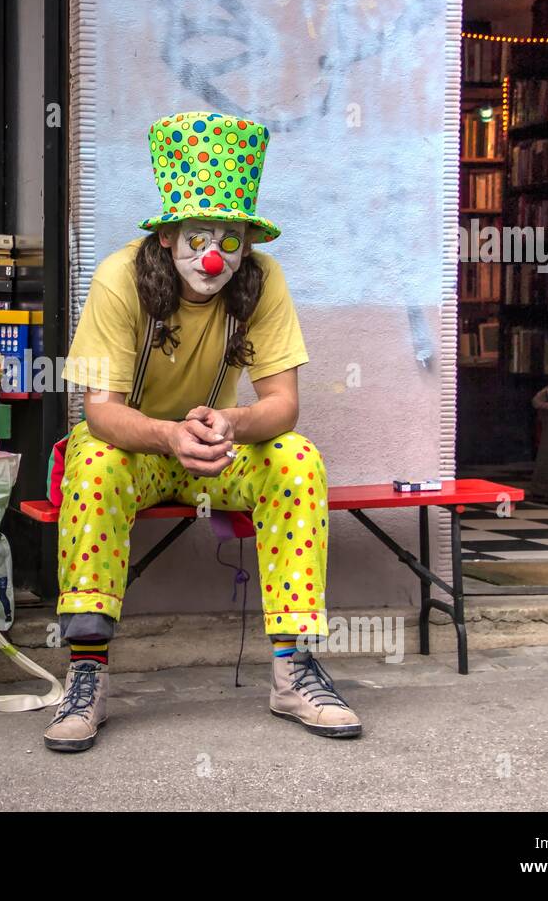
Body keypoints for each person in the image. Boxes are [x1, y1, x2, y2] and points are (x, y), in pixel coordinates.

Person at [44, 111, 361, 753]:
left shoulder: (263, 279)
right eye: (196, 236)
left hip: (218, 451)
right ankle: (85, 673)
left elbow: (283, 405)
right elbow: (96, 411)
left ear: (245, 240)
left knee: (297, 459)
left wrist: (233, 422)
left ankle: (293, 672)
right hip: (134, 446)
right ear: (166, 237)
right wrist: (166, 435)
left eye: (228, 237)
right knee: (96, 461)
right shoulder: (116, 278)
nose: (212, 255)